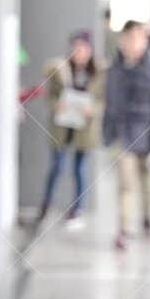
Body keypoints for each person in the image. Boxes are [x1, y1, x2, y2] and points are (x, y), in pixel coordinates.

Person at [104, 20, 150, 250]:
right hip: (124, 136)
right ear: (123, 40)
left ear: (145, 41)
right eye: (129, 38)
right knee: (126, 184)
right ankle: (125, 229)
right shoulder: (116, 67)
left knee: (148, 182)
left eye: (139, 38)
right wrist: (108, 131)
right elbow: (111, 101)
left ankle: (148, 220)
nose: (133, 43)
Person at [34, 31, 106, 229]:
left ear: (90, 51)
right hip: (63, 125)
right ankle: (46, 206)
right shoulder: (60, 69)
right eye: (76, 48)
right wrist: (57, 104)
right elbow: (51, 93)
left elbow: (102, 100)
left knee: (80, 169)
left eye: (83, 48)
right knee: (57, 167)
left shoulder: (99, 72)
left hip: (85, 127)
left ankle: (78, 209)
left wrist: (93, 109)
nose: (79, 52)